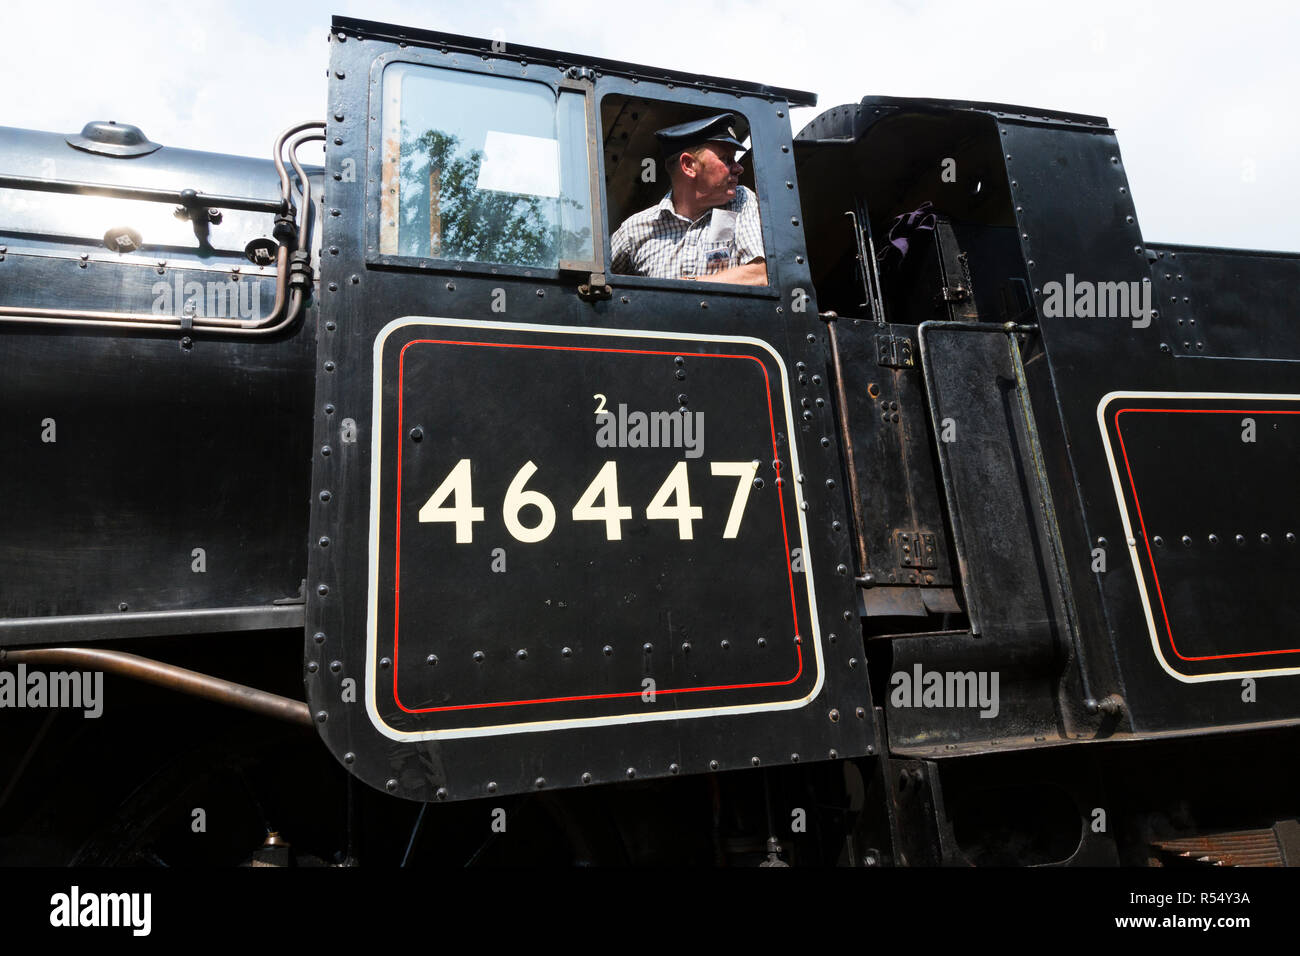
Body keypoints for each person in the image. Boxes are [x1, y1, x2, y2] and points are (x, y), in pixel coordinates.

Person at [610, 113, 766, 285]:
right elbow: (598, 284)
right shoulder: (634, 231)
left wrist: (686, 285)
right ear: (689, 165)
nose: (738, 168)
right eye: (726, 160)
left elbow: (759, 275)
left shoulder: (741, 201)